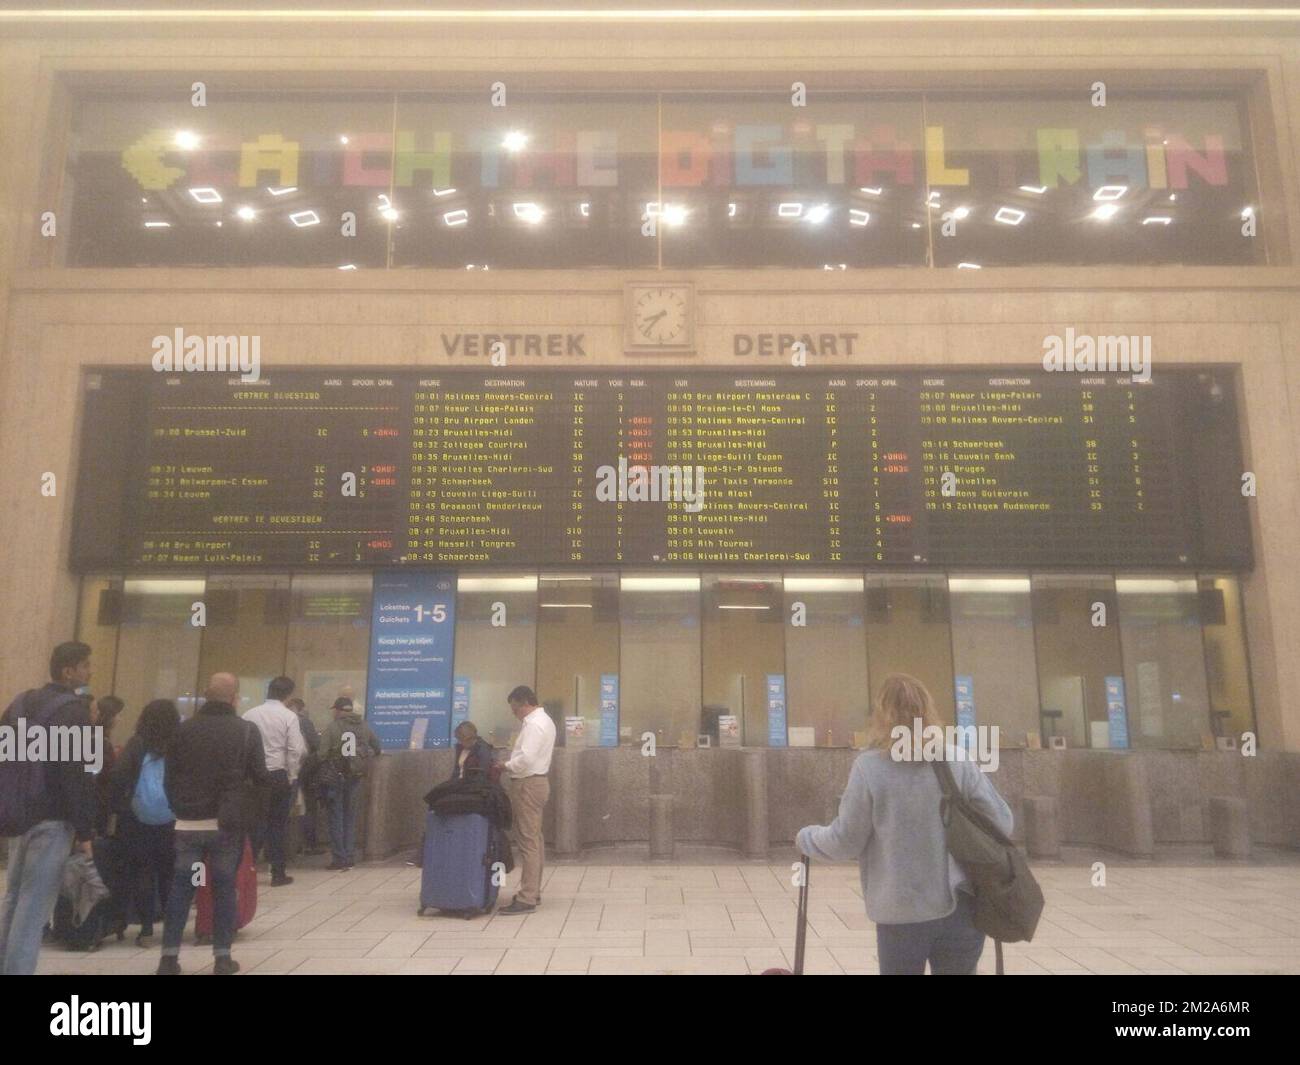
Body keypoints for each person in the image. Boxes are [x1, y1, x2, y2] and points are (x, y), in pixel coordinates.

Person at [795, 673, 1014, 975]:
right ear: (928, 710)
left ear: (882, 716)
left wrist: (807, 838)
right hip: (961, 909)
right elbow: (1002, 822)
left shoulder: (870, 768)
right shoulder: (956, 760)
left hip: (901, 915)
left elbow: (846, 841)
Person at [158, 673, 268, 976]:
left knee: (181, 889)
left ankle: (168, 958)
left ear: (206, 696)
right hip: (226, 825)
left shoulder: (183, 731)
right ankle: (222, 957)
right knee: (222, 888)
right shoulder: (246, 731)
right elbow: (260, 777)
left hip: (188, 824)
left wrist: (178, 807)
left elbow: (169, 776)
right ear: (234, 698)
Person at [0, 642, 98, 975]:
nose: (89, 672)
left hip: (17, 816)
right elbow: (75, 773)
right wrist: (84, 829)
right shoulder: (74, 711)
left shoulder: (19, 703)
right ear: (68, 671)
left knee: (13, 898)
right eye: (85, 666)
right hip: (52, 819)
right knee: (34, 906)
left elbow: (5, 755)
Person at [109, 699, 180, 945]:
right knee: (169, 873)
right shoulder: (177, 744)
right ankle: (173, 926)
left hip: (137, 819)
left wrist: (120, 805)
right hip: (172, 820)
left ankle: (146, 927)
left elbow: (118, 776)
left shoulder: (137, 743)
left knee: (143, 871)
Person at [243, 676, 307, 887]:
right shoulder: (288, 716)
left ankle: (246, 870)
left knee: (254, 824)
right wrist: (292, 775)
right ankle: (277, 872)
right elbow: (294, 749)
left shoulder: (249, 714)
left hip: (254, 776)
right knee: (277, 825)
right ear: (288, 695)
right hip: (278, 775)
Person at [408, 720, 498, 868]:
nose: (461, 743)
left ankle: (425, 852)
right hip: (460, 785)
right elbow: (456, 771)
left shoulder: (483, 750)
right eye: (459, 740)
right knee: (433, 802)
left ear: (471, 737)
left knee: (438, 803)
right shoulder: (461, 749)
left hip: (473, 789)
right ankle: (425, 850)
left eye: (463, 740)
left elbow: (482, 775)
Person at [497, 686, 555, 915]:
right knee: (535, 840)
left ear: (524, 704)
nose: (514, 713)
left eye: (514, 709)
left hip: (528, 785)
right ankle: (533, 891)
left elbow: (527, 758)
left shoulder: (534, 724)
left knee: (528, 842)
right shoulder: (546, 720)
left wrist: (505, 765)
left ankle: (527, 897)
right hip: (538, 783)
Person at [318, 697, 381, 871]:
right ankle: (350, 856)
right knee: (350, 817)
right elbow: (377, 747)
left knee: (336, 816)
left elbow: (322, 754)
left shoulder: (333, 727)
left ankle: (339, 858)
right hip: (355, 776)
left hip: (336, 777)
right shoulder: (364, 726)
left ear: (338, 710)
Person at [287, 697, 325, 856]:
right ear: (299, 708)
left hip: (284, 772)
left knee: (287, 809)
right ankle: (309, 844)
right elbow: (317, 746)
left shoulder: (278, 721)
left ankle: (288, 846)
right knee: (307, 808)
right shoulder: (304, 722)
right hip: (305, 773)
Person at [90, 695, 125, 837]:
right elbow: (99, 775)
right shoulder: (99, 742)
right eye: (117, 715)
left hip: (98, 801)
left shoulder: (98, 739)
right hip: (98, 802)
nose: (119, 719)